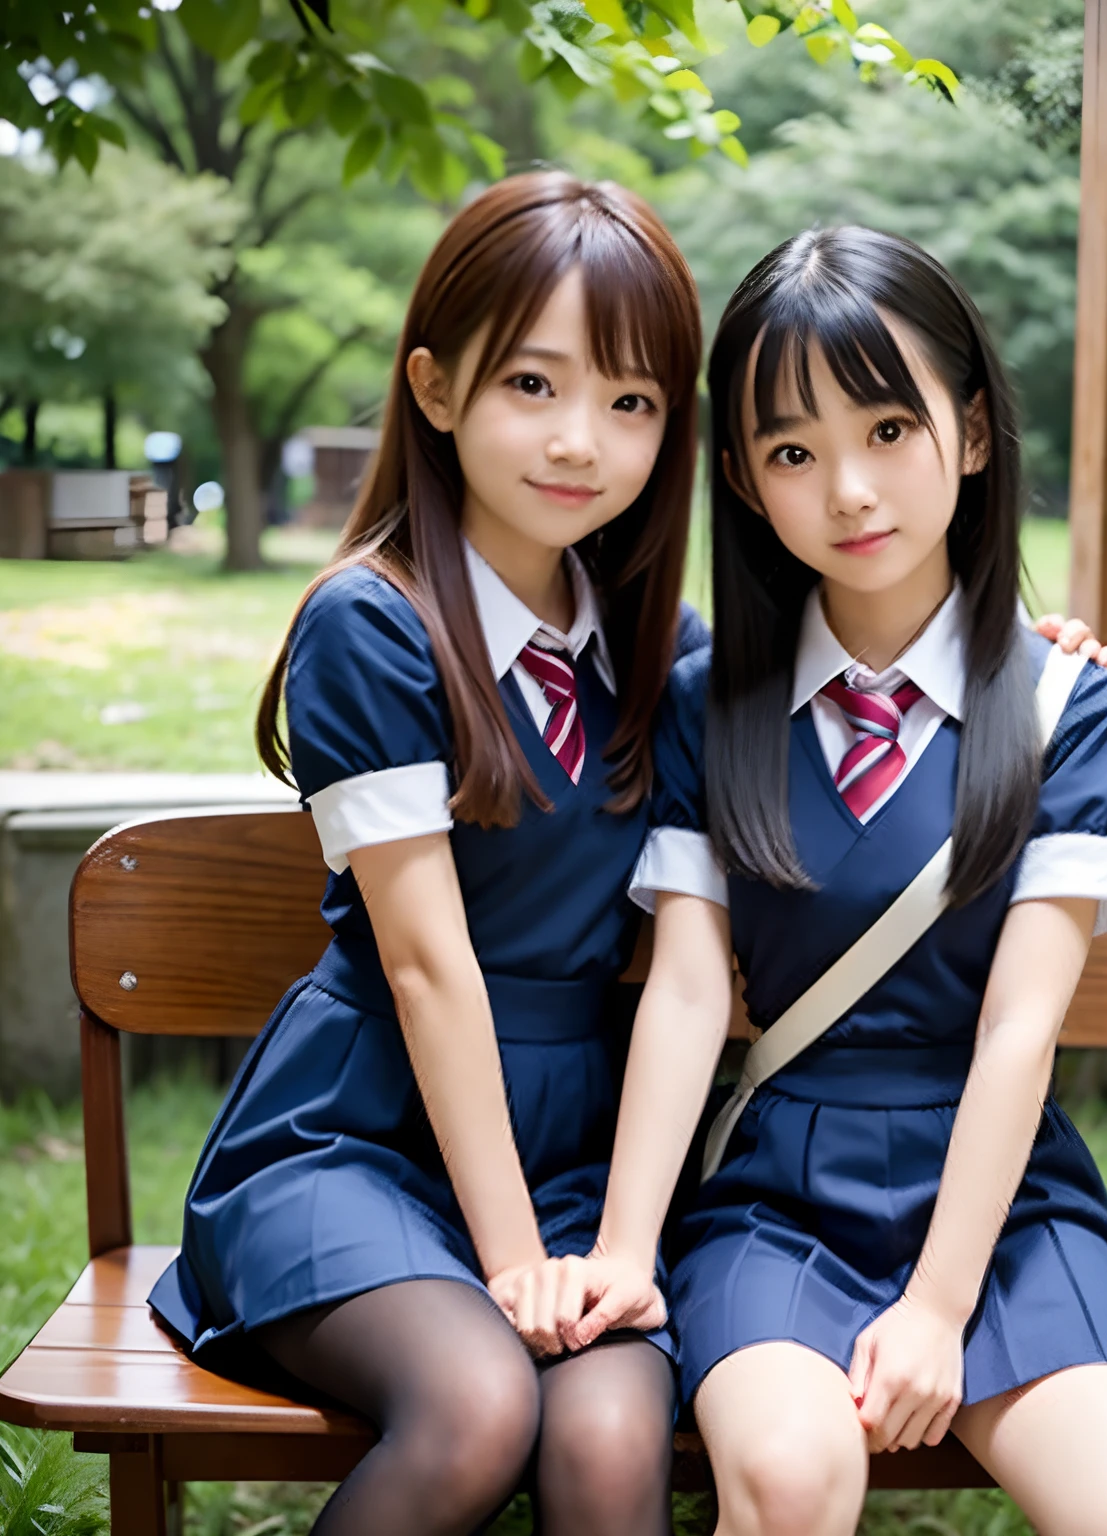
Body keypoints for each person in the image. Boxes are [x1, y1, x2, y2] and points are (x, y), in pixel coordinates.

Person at [551, 227, 1107, 1535]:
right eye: (794, 452)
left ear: (969, 433)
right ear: (742, 481)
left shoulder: (1074, 710)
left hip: (1005, 1205)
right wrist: (628, 1250)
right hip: (779, 1194)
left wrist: (940, 1308)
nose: (849, 489)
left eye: (889, 430)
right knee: (793, 1484)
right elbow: (688, 992)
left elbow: (1023, 1029)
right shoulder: (706, 707)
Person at [149, 171, 705, 1536]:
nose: (582, 439)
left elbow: (858, 672)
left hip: (575, 1152)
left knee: (613, 1440)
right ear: (436, 388)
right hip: (356, 1136)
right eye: (533, 384)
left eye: (632, 402)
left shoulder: (662, 652)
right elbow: (427, 966)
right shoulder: (375, 627)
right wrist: (513, 1262)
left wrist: (1023, 660)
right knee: (476, 1408)